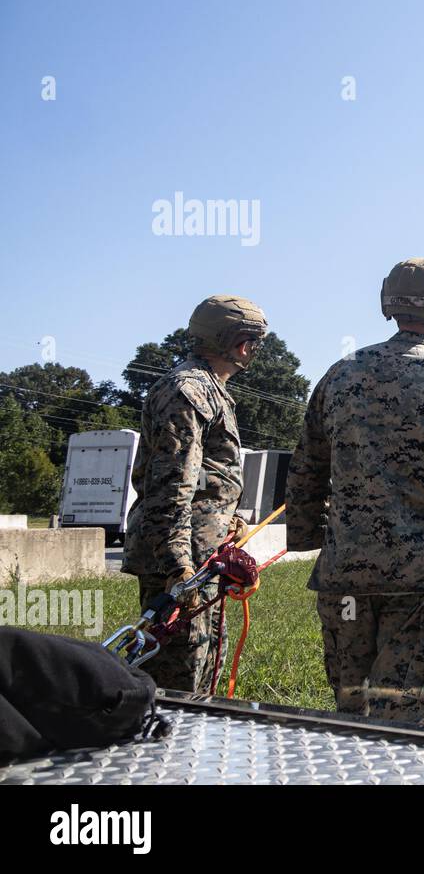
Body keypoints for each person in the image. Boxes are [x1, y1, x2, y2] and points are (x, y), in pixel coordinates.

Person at [287, 258, 424, 726]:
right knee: (406, 726)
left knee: (349, 717)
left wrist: (306, 541)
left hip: (344, 579)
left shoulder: (338, 376)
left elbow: (305, 470)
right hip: (422, 582)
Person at [122, 294, 267, 693]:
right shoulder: (190, 390)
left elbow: (204, 476)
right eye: (255, 342)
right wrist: (178, 568)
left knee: (202, 678)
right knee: (176, 688)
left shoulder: (210, 389)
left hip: (203, 557)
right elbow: (170, 485)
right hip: (183, 563)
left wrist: (226, 521)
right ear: (241, 342)